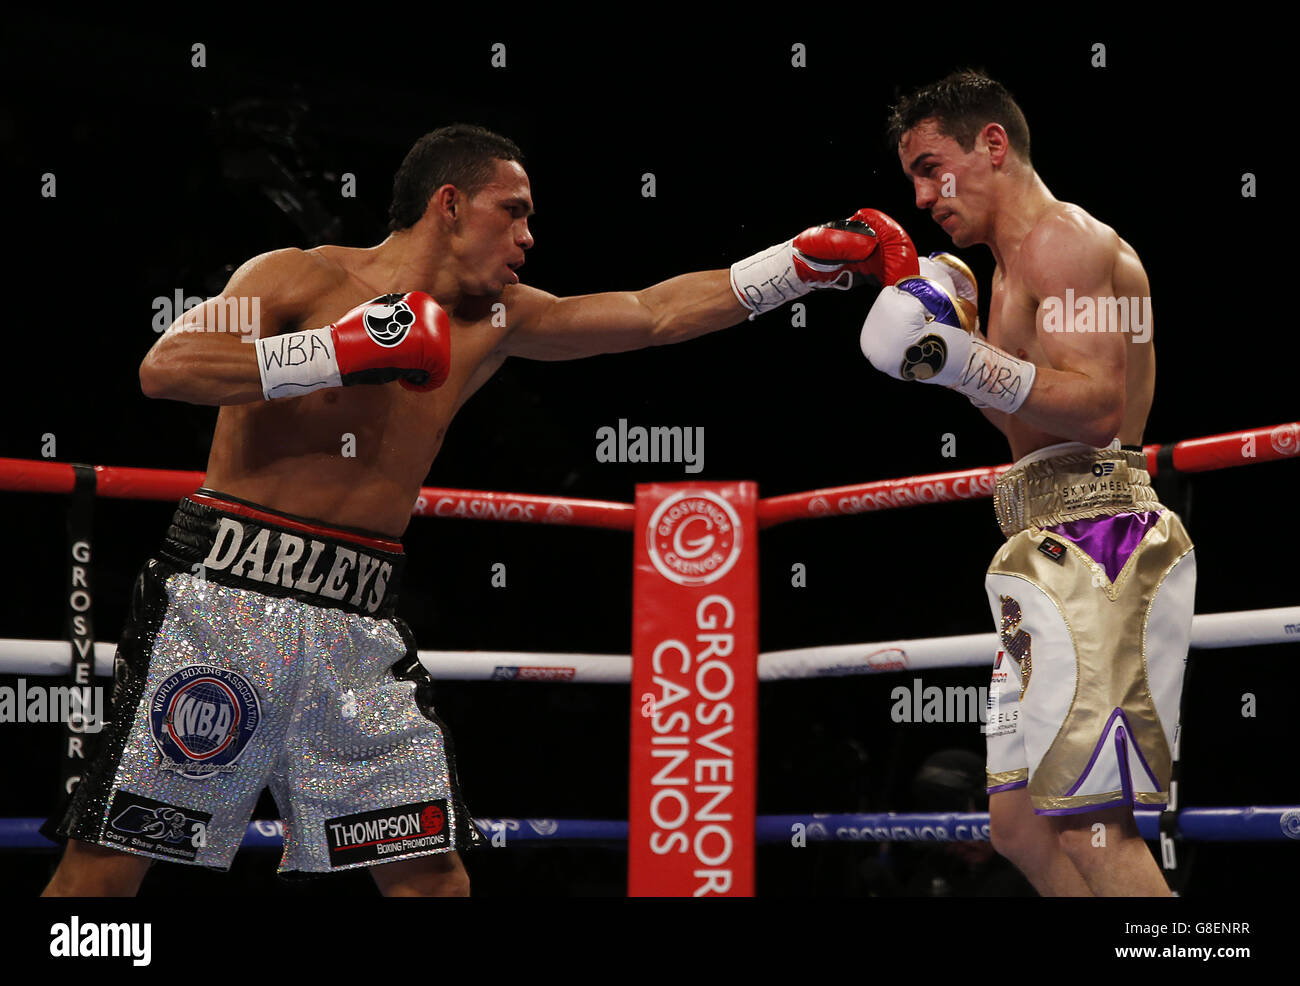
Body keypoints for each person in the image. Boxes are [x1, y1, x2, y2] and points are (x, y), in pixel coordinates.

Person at [42, 124, 918, 896]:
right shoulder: (299, 277)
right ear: (450, 204)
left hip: (357, 621)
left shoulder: (494, 319)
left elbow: (650, 315)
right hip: (225, 599)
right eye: (516, 211)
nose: (530, 237)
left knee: (430, 875)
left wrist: (793, 267)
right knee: (110, 865)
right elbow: (169, 365)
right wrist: (341, 352)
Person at [859, 72, 1196, 896]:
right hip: (1039, 543)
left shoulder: (1066, 241)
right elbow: (1026, 423)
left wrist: (957, 357)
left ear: (994, 145)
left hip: (1101, 537)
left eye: (933, 167)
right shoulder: (1006, 274)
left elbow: (1096, 408)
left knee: (1091, 826)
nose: (922, 196)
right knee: (1016, 826)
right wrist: (956, 355)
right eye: (911, 177)